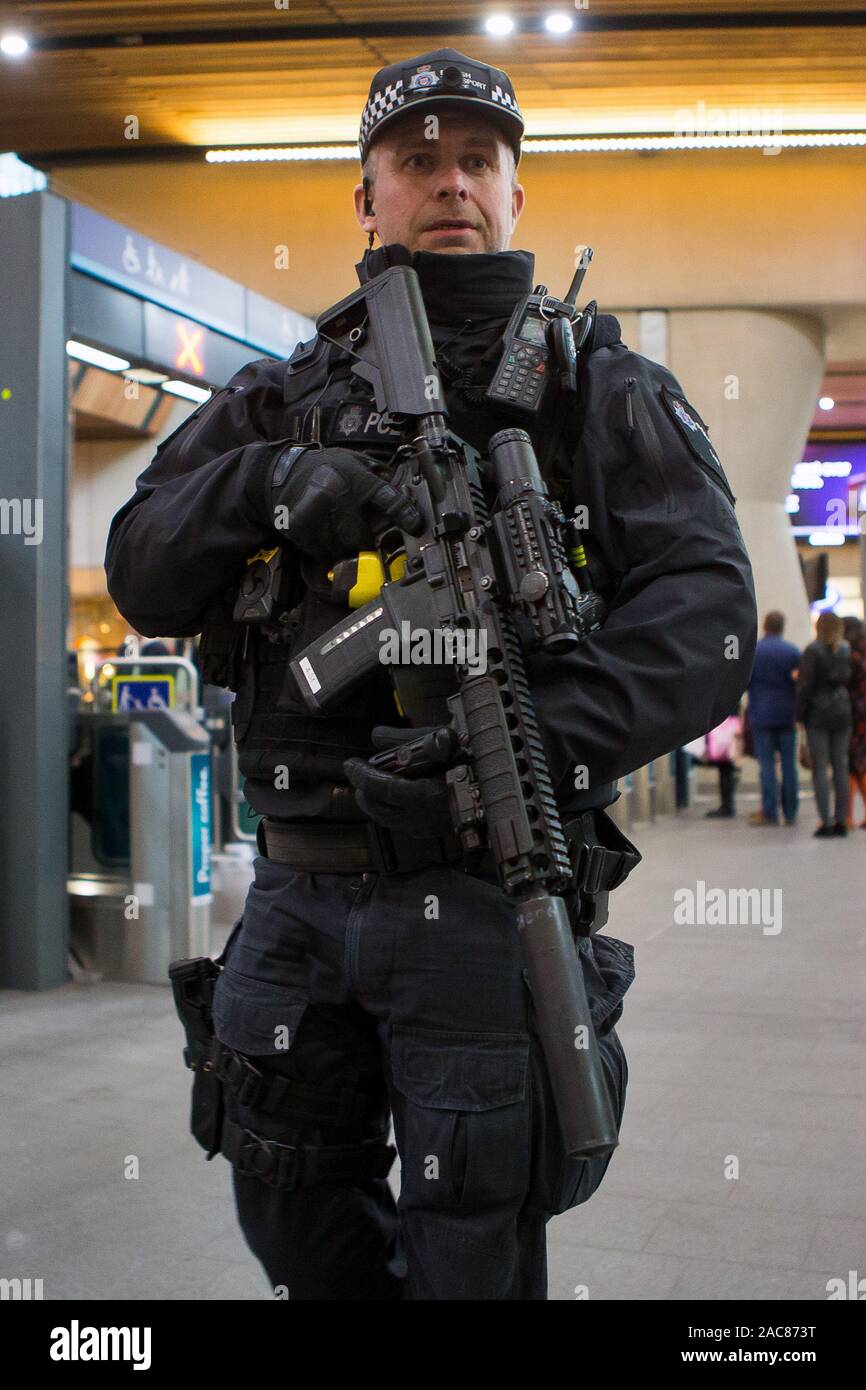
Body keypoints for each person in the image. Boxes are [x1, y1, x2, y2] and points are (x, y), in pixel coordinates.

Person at [105, 48, 757, 1300]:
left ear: (515, 191)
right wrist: (268, 486)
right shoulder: (279, 395)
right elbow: (142, 566)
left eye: (477, 160)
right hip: (296, 900)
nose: (448, 182)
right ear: (366, 195)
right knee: (290, 1219)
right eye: (415, 161)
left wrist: (519, 744)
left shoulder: (594, 389)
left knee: (477, 1243)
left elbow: (707, 615)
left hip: (480, 894)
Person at [796, 611, 852, 837]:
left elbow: (805, 686)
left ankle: (826, 821)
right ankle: (841, 821)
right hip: (842, 711)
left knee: (820, 769)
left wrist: (800, 716)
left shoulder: (813, 650)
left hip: (818, 714)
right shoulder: (845, 650)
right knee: (841, 767)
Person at [746, 610, 800, 826]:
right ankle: (791, 812)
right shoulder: (792, 652)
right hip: (787, 716)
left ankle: (770, 811)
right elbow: (799, 683)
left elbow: (745, 682)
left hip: (761, 715)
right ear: (782, 627)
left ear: (765, 626)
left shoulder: (754, 652)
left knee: (767, 766)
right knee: (789, 765)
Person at [843, 616, 866, 828]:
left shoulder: (849, 653)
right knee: (861, 763)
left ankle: (847, 816)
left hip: (852, 713)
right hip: (862, 715)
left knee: (851, 764)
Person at [703, 710, 743, 819]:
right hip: (729, 723)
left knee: (725, 770)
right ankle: (727, 805)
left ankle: (727, 806)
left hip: (725, 724)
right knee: (726, 770)